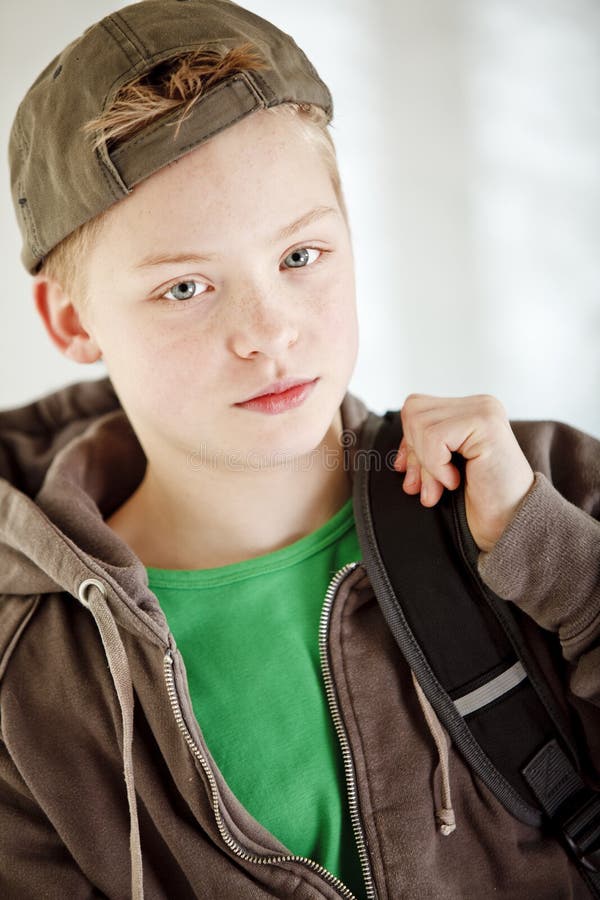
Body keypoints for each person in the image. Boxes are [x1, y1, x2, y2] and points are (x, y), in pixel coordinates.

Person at [1, 0, 599, 897]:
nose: (268, 333)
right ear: (73, 320)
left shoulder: (545, 489)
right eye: (186, 286)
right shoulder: (29, 670)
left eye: (299, 256)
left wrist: (551, 556)